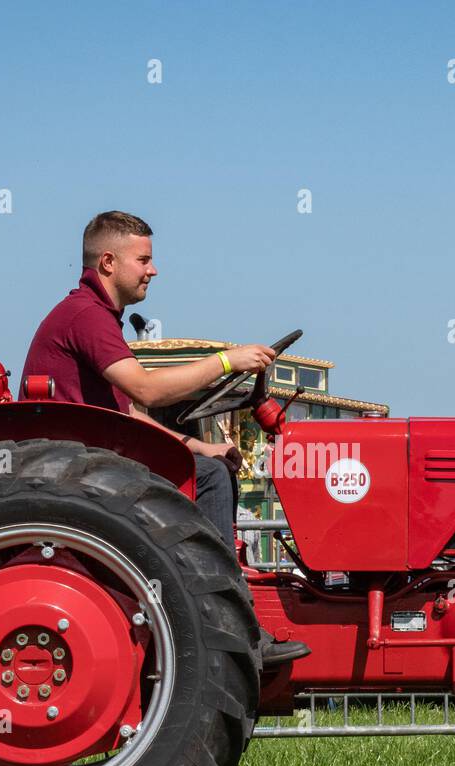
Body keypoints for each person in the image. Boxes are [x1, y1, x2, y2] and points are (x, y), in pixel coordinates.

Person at [21, 210, 308, 666]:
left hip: (90, 462)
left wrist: (199, 445)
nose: (154, 270)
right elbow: (147, 390)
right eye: (145, 260)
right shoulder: (86, 316)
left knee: (209, 463)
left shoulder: (95, 317)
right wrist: (227, 361)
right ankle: (231, 623)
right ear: (109, 263)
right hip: (77, 470)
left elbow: (129, 414)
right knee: (210, 478)